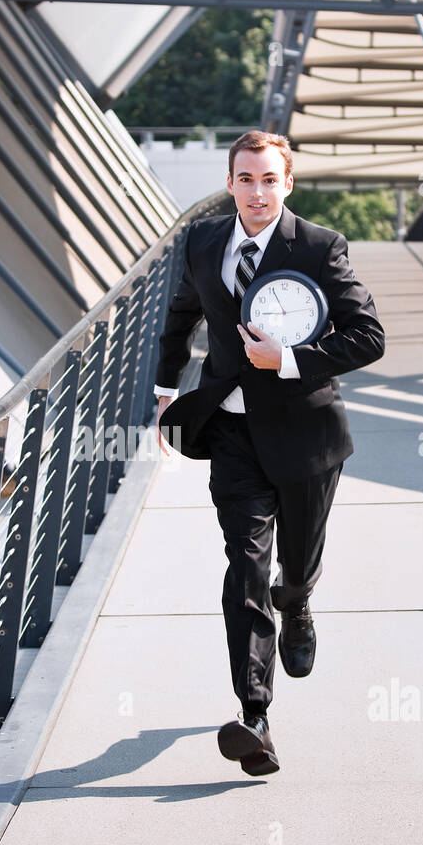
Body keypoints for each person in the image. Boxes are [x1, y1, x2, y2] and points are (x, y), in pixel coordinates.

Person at [154, 130, 385, 778]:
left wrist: (284, 359)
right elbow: (181, 315)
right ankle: (254, 715)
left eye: (269, 180)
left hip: (307, 435)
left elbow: (368, 337)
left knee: (293, 567)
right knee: (245, 572)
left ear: (288, 184)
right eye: (245, 179)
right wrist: (165, 390)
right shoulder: (201, 241)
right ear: (229, 183)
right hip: (231, 433)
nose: (257, 192)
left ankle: (300, 603)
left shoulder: (317, 248)